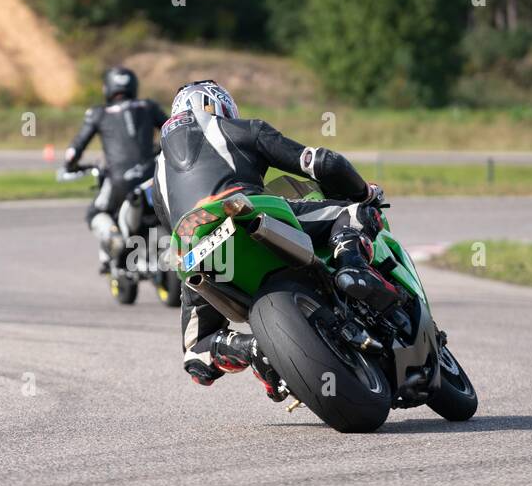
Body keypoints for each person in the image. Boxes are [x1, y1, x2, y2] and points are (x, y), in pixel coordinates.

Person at [153, 79, 397, 387]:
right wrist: (364, 191)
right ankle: (351, 268)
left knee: (196, 353)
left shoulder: (157, 174)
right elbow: (323, 162)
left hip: (195, 248)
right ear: (220, 107)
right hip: (247, 213)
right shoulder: (241, 129)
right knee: (354, 213)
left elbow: (168, 225)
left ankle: (251, 348)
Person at [63, 67, 168, 272]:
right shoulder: (149, 106)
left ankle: (112, 236)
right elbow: (173, 131)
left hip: (119, 180)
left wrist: (70, 165)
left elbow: (75, 149)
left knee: (95, 212)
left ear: (108, 88)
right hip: (152, 176)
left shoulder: (97, 113)